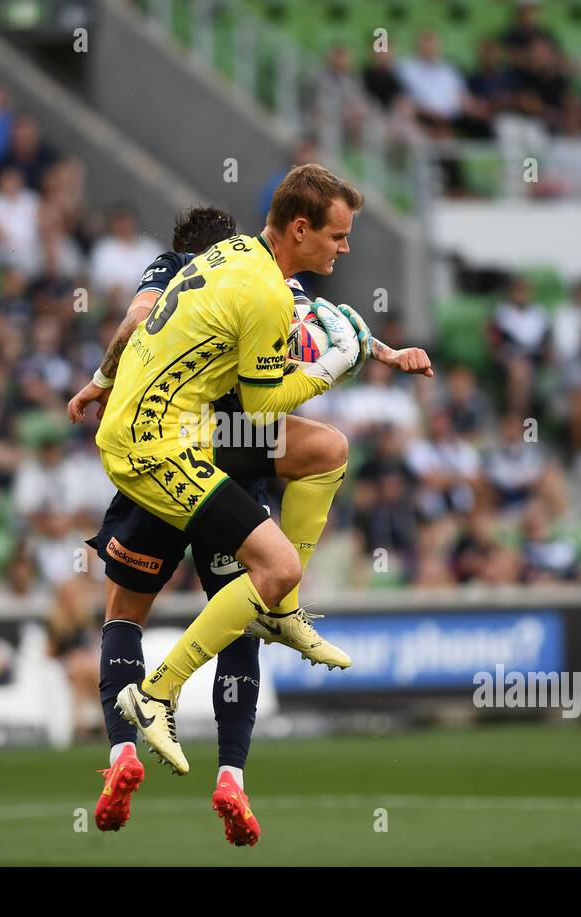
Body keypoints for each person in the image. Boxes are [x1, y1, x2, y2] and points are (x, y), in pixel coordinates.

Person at [91, 165, 369, 778]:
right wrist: (335, 366)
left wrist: (98, 380)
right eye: (338, 236)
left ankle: (279, 609)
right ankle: (154, 694)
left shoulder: (240, 254)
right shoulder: (265, 291)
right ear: (301, 229)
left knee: (327, 452)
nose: (345, 248)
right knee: (276, 565)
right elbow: (262, 403)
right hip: (157, 443)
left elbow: (143, 321)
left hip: (181, 428)